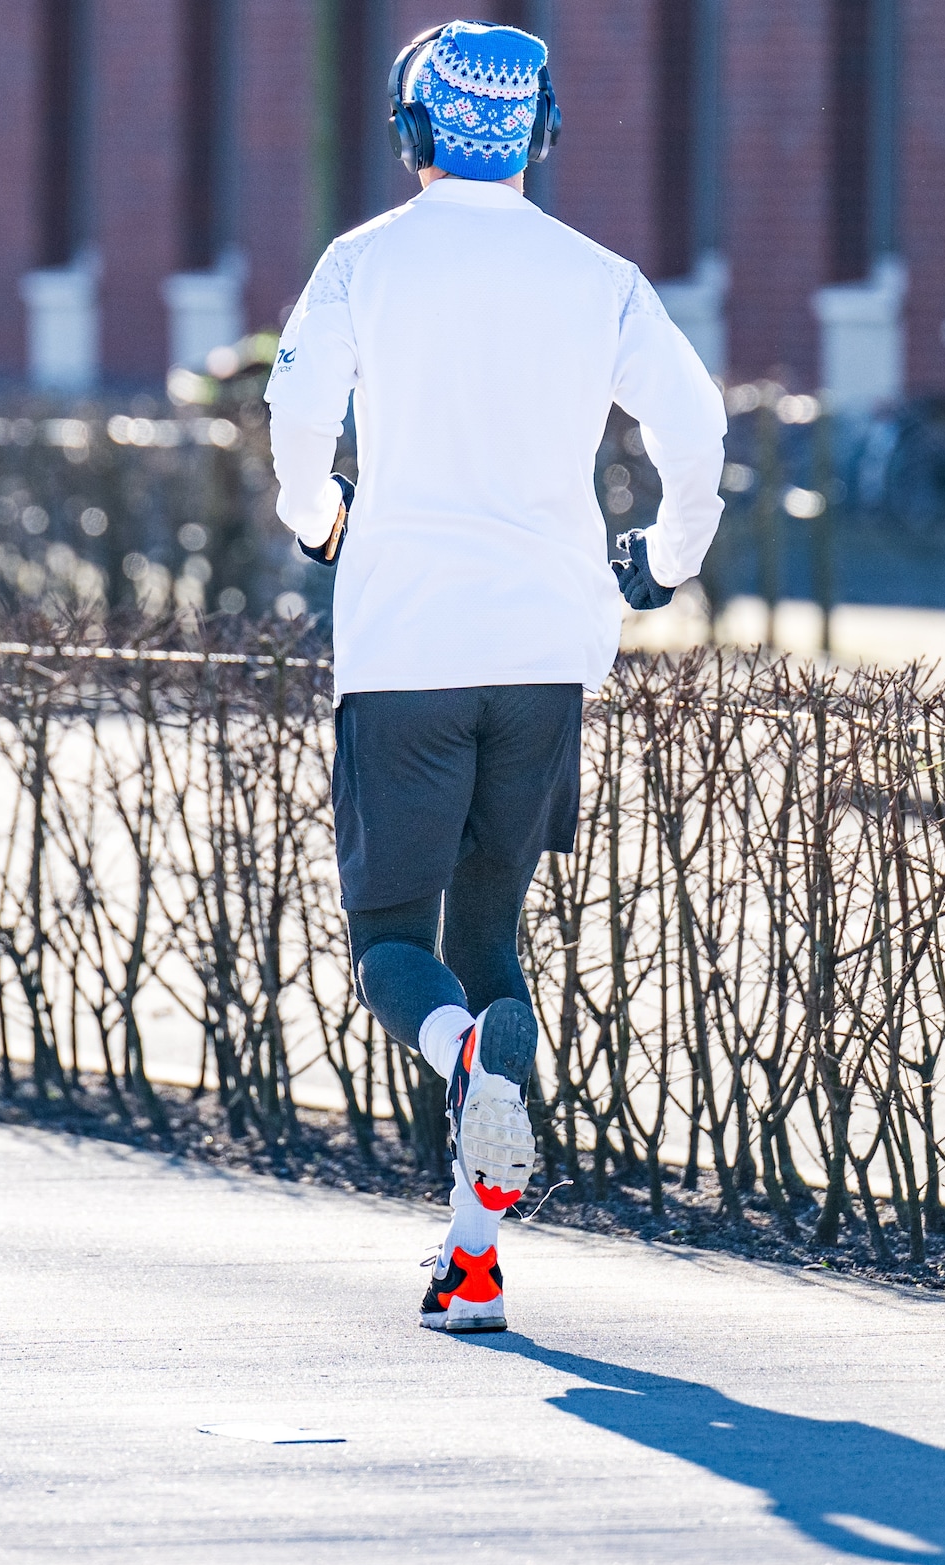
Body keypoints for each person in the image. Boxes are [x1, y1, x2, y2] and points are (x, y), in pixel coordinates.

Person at [265, 19, 727, 1333]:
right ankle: (473, 1261)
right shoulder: (601, 278)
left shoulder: (365, 264)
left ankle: (455, 1050)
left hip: (406, 647)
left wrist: (316, 512)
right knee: (493, 943)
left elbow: (298, 413)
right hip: (544, 655)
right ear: (542, 136)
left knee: (394, 951)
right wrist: (661, 559)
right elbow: (697, 427)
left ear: (411, 136)